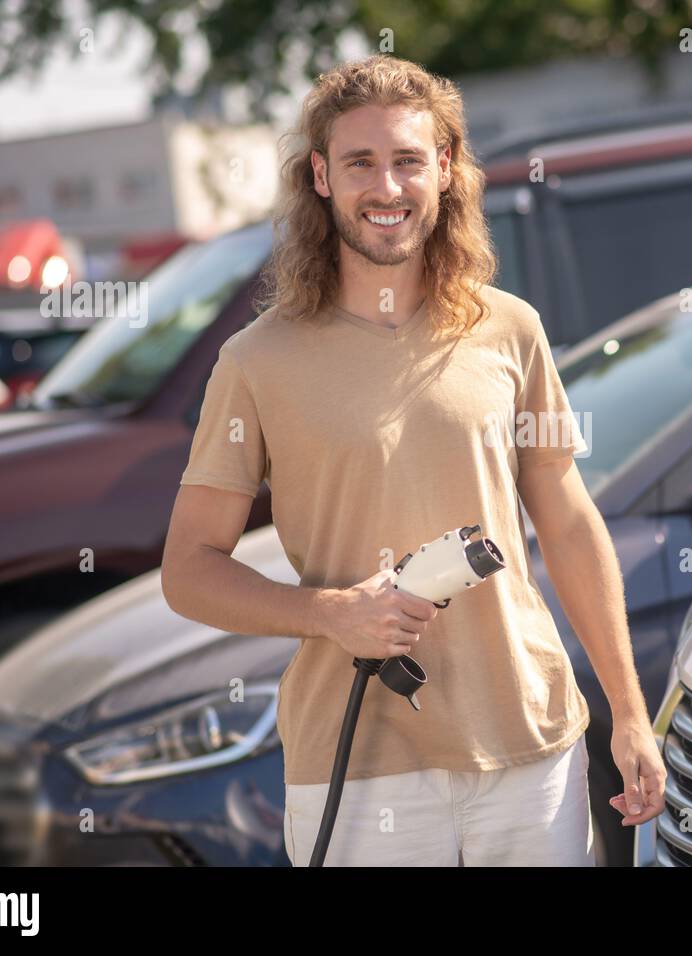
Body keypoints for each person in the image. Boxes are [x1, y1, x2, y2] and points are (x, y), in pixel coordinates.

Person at [160, 53, 665, 866]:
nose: (386, 188)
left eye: (407, 160)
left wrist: (632, 716)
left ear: (446, 168)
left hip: (528, 749)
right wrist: (330, 612)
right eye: (360, 162)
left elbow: (569, 522)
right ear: (320, 176)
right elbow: (188, 569)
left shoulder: (509, 329)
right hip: (358, 767)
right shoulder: (257, 362)